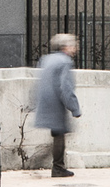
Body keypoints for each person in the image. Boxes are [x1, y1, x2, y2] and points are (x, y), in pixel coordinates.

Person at [30, 31, 81, 178]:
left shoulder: (47, 59)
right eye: (73, 45)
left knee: (57, 133)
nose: (75, 48)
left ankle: (54, 164)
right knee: (60, 134)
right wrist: (75, 108)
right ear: (65, 47)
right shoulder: (65, 61)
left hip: (46, 100)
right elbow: (65, 87)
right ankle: (58, 167)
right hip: (55, 102)